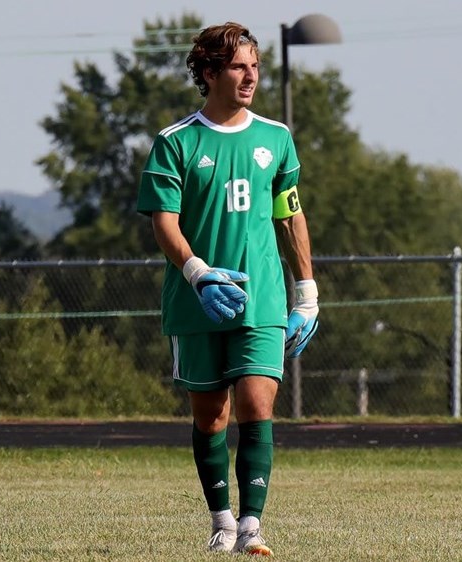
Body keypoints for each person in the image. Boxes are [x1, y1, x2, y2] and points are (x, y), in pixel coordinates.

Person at [136, 21, 320, 557]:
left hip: (263, 300)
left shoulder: (276, 138)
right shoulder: (176, 143)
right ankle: (221, 520)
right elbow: (164, 223)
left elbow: (290, 215)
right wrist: (198, 273)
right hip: (198, 301)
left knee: (257, 405)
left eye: (255, 66)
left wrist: (305, 291)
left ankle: (251, 528)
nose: (251, 76)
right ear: (210, 71)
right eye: (239, 66)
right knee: (210, 415)